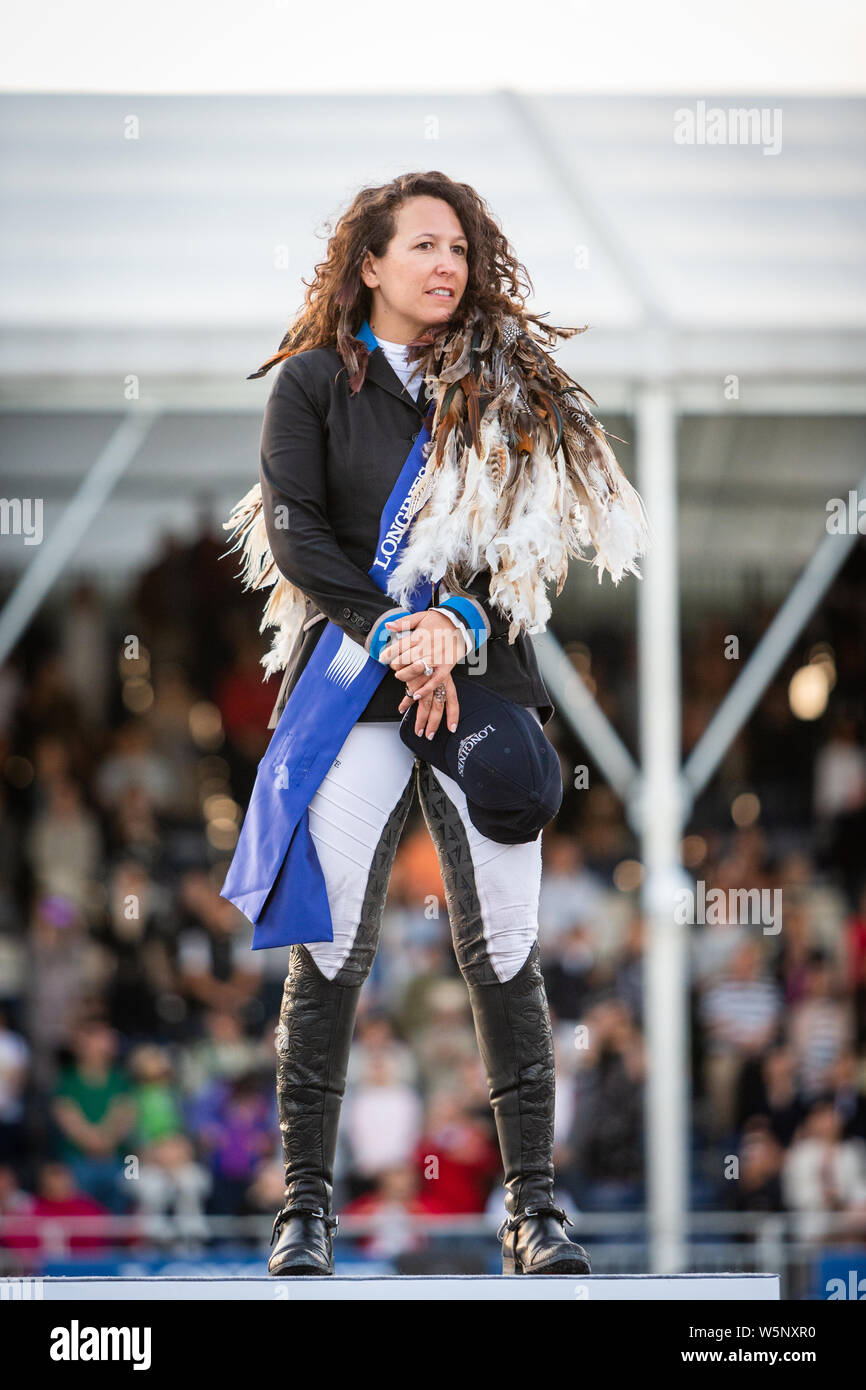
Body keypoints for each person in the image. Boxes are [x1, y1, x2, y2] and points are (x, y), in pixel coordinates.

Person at [221, 170, 649, 1276]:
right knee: (329, 954)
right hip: (357, 684)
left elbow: (527, 549)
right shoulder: (310, 383)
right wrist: (397, 635)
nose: (446, 263)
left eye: (458, 246)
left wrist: (453, 628)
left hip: (481, 674)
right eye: (422, 245)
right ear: (369, 264)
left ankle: (532, 1212)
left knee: (504, 947)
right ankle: (304, 1211)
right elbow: (296, 533)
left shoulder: (506, 385)